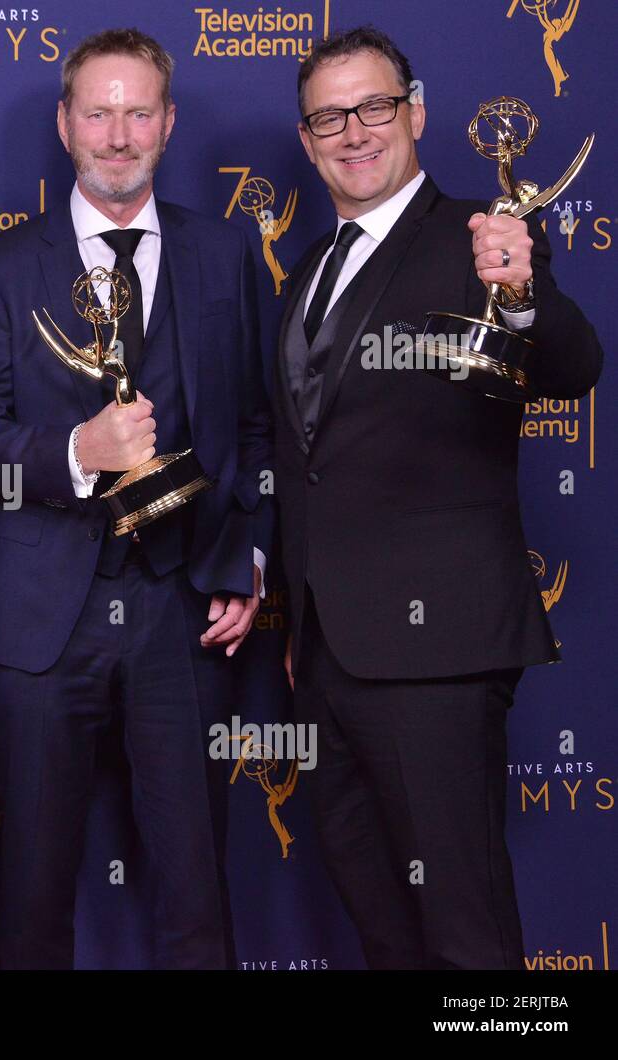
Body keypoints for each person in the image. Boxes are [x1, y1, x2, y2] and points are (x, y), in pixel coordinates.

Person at [276, 27, 603, 968]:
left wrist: (528, 288)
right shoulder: (305, 273)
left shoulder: (484, 236)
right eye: (329, 117)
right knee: (380, 917)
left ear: (415, 113)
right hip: (327, 651)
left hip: (440, 647)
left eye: (374, 107)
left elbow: (572, 368)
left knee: (463, 924)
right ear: (307, 140)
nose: (354, 131)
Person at [0, 28, 273, 969]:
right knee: (36, 893)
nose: (118, 134)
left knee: (196, 888)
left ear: (169, 124)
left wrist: (247, 558)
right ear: (64, 124)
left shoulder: (226, 250)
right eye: (99, 111)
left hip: (184, 609)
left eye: (139, 112)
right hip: (45, 615)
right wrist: (76, 452)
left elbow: (259, 429)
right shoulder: (3, 266)